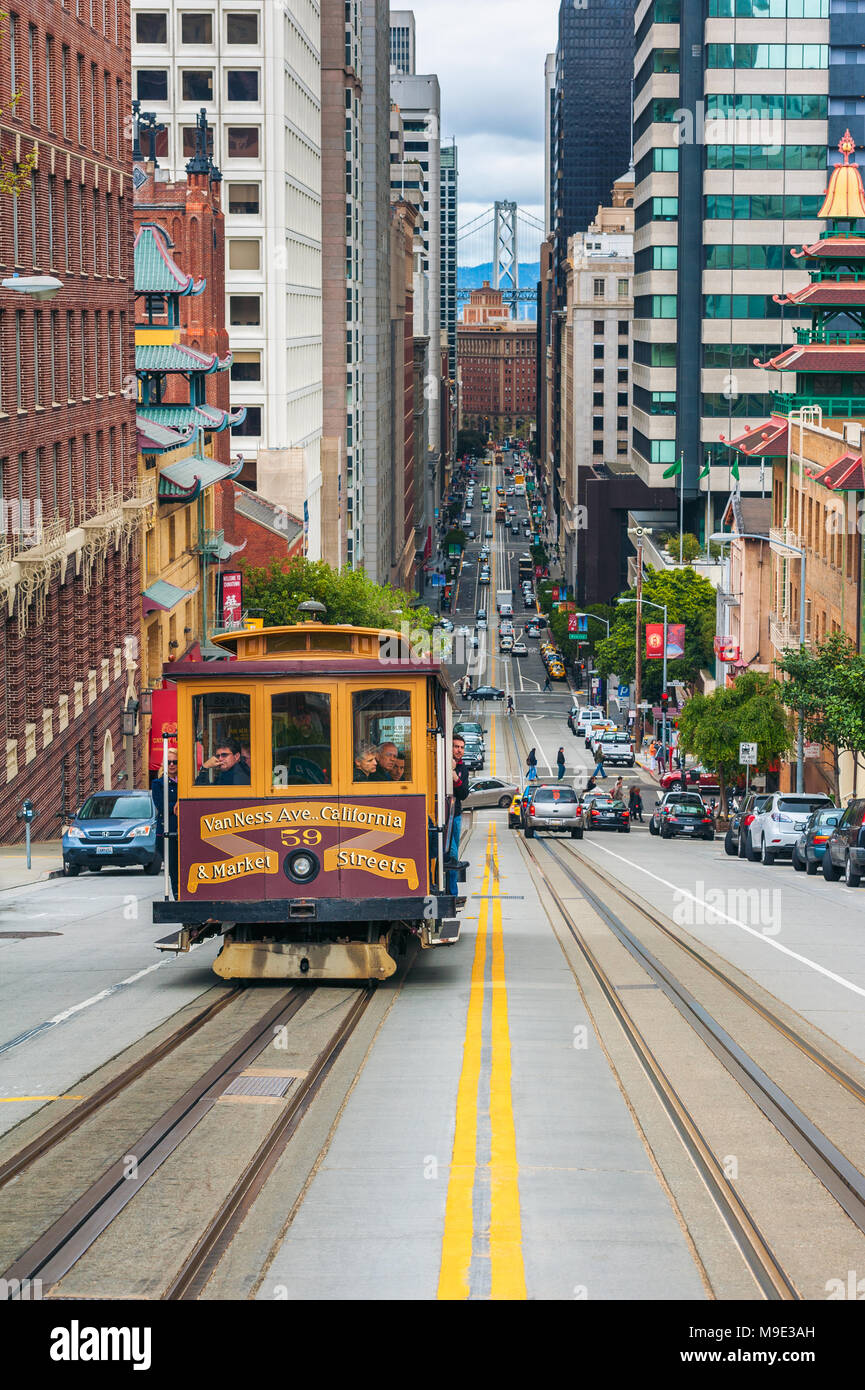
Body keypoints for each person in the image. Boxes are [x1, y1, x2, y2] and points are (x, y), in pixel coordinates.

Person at [152, 753, 179, 897]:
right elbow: (161, 806)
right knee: (173, 869)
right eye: (169, 762)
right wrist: (177, 805)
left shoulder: (186, 783)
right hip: (167, 833)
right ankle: (177, 897)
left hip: (184, 831)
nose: (172, 764)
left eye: (175, 761)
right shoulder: (158, 784)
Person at [446, 734, 470, 897]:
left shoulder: (463, 769)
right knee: (451, 853)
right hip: (442, 814)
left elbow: (463, 794)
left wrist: (454, 774)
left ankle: (451, 891)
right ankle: (452, 894)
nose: (459, 750)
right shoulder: (441, 763)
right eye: (456, 746)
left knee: (453, 853)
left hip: (455, 815)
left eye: (461, 747)